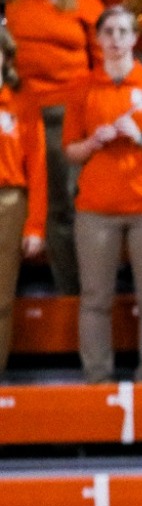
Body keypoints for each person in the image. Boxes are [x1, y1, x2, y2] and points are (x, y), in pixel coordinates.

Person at [68, 6, 142, 385]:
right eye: (109, 32)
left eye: (123, 31)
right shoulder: (84, 88)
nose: (116, 39)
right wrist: (92, 142)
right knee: (94, 299)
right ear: (98, 39)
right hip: (96, 208)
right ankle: (97, 378)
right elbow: (70, 150)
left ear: (135, 38)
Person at [1, 0, 101, 295]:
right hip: (15, 117)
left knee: (63, 209)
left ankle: (70, 293)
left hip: (65, 115)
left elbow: (104, 51)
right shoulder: (5, 0)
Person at [0, 28, 48, 379]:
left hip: (9, 202)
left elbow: (38, 166)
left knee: (0, 300)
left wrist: (35, 224)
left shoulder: (23, 99)